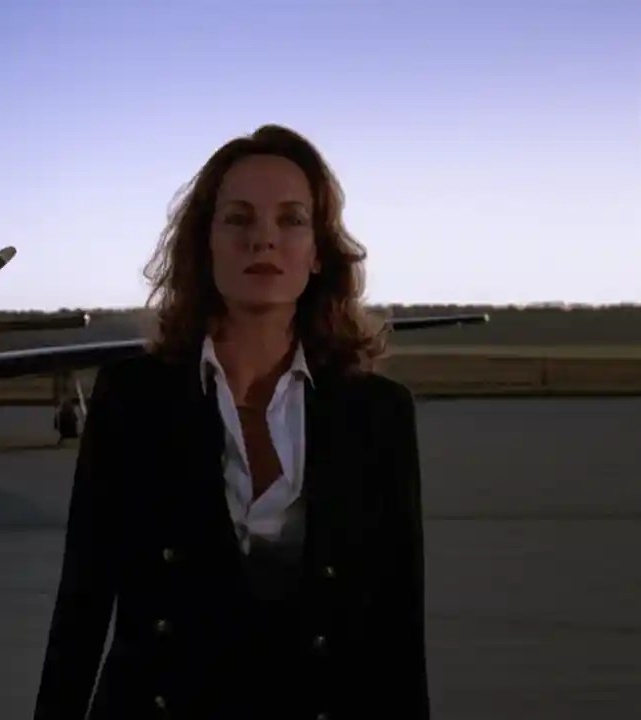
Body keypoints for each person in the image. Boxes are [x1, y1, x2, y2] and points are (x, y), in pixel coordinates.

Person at [32, 124, 429, 719]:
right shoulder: (131, 399)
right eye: (238, 220)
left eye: (291, 220)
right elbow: (81, 605)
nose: (263, 240)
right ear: (205, 245)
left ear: (318, 251)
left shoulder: (380, 414)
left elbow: (398, 634)